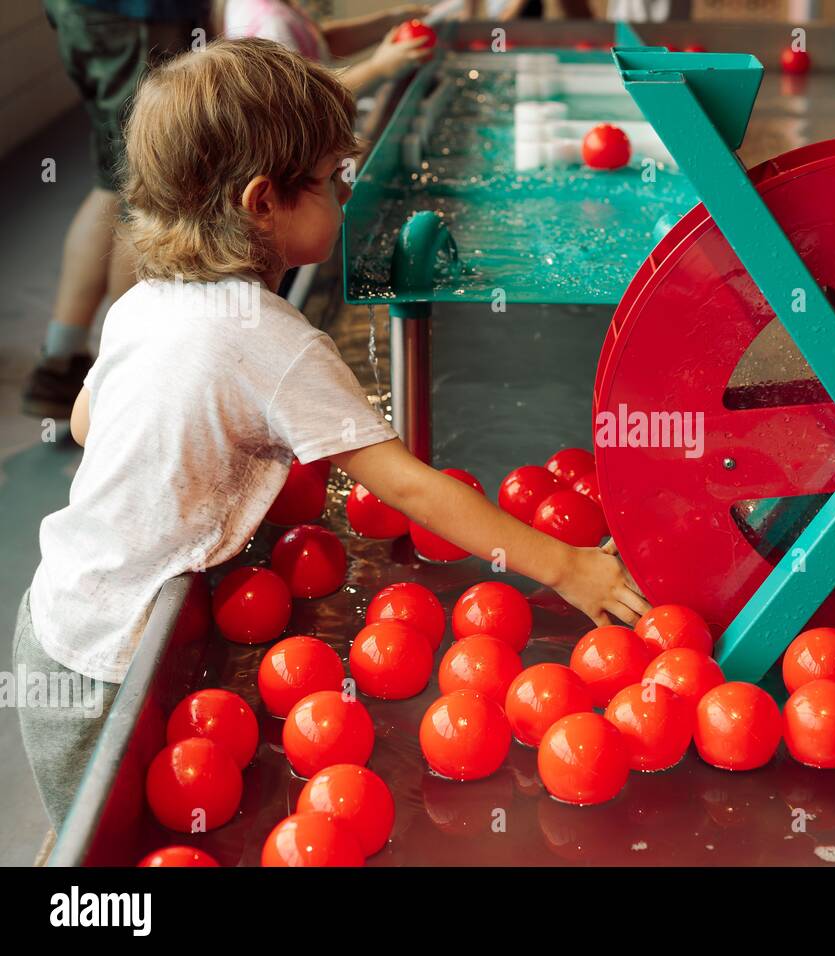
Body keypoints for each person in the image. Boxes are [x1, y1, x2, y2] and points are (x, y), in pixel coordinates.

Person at [14, 37, 649, 827]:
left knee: (94, 832)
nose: (345, 200)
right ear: (261, 203)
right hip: (112, 661)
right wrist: (567, 567)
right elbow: (410, 486)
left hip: (53, 623)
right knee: (110, 840)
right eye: (330, 184)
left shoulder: (146, 301)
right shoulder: (271, 342)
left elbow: (84, 419)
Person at [24, 0, 207, 420]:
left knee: (116, 181)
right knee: (149, 187)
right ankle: (127, 373)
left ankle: (62, 360)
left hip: (85, 12)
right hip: (137, 17)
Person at [218, 1, 436, 91]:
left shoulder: (268, 6)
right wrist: (378, 68)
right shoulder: (271, 23)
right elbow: (306, 97)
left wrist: (388, 22)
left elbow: (319, 42)